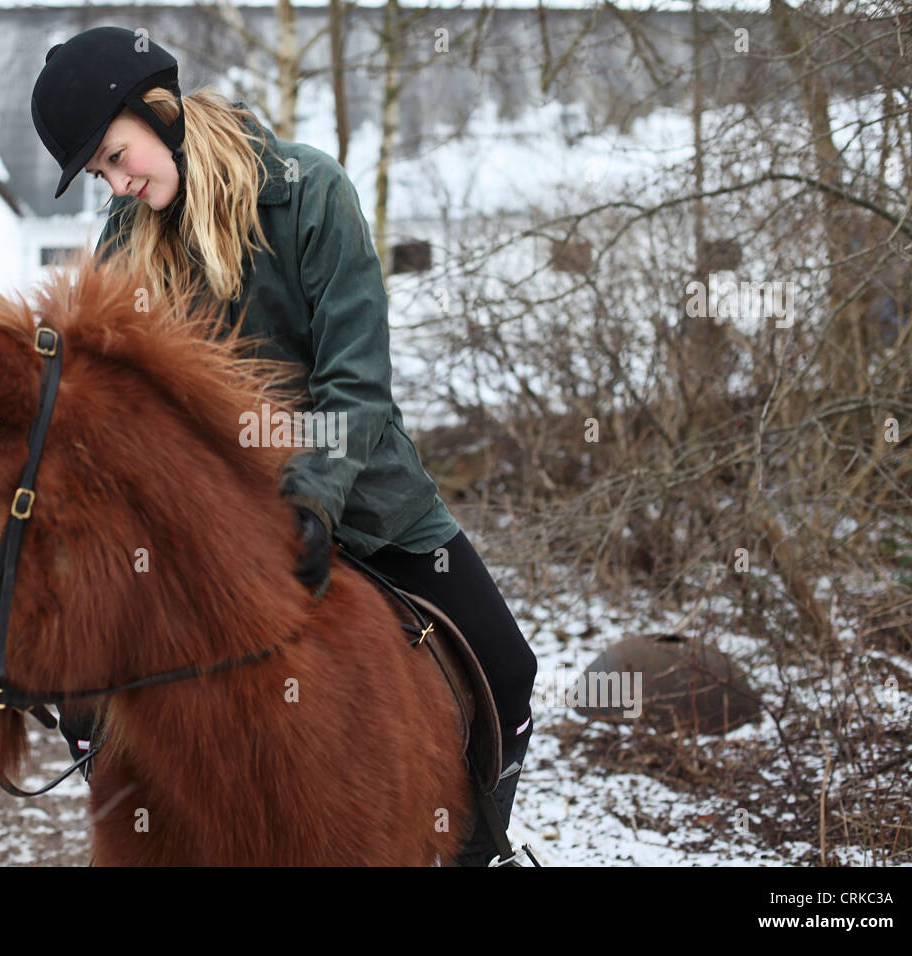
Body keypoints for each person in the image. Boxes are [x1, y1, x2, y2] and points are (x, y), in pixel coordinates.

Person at [30, 26, 536, 866]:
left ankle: (469, 851)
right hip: (201, 527)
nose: (119, 182)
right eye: (102, 174)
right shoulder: (124, 237)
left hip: (362, 499)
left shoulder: (311, 191)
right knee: (86, 699)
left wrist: (310, 499)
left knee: (509, 672)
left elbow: (354, 382)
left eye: (120, 155)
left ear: (159, 109)